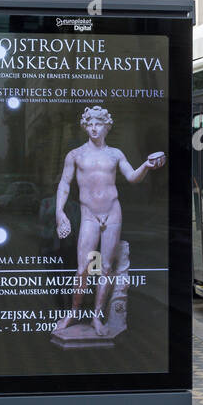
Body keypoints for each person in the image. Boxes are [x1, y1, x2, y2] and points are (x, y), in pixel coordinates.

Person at [54, 106, 166, 336]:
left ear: (107, 126)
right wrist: (59, 212)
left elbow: (133, 178)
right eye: (91, 124)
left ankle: (97, 316)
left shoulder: (115, 154)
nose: (94, 128)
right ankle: (73, 312)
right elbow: (64, 184)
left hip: (113, 213)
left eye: (99, 124)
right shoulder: (76, 154)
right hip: (89, 215)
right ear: (86, 126)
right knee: (83, 269)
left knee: (105, 268)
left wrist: (146, 165)